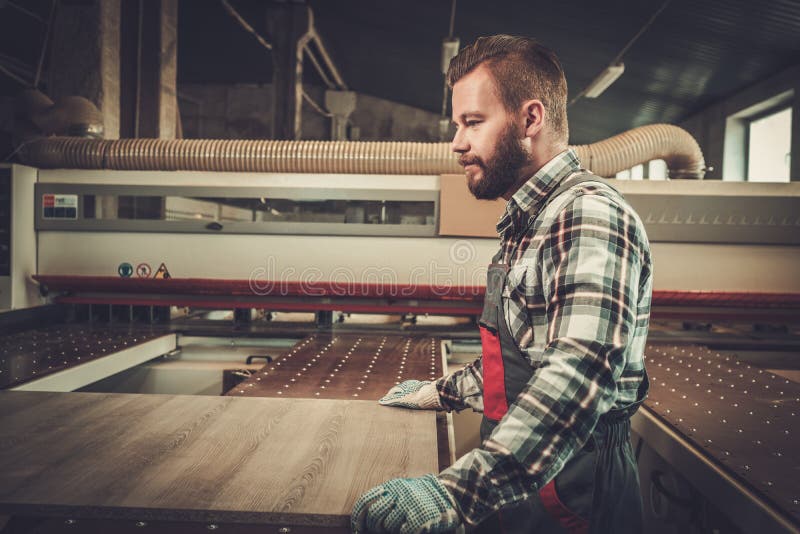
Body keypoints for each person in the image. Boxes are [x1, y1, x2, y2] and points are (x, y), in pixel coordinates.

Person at [351, 34, 652, 534]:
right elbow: (520, 362)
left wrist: (455, 493)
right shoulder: (531, 220)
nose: (457, 143)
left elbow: (575, 377)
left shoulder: (588, 215)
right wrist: (442, 392)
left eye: (473, 122)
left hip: (575, 494)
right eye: (457, 125)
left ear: (530, 119)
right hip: (524, 481)